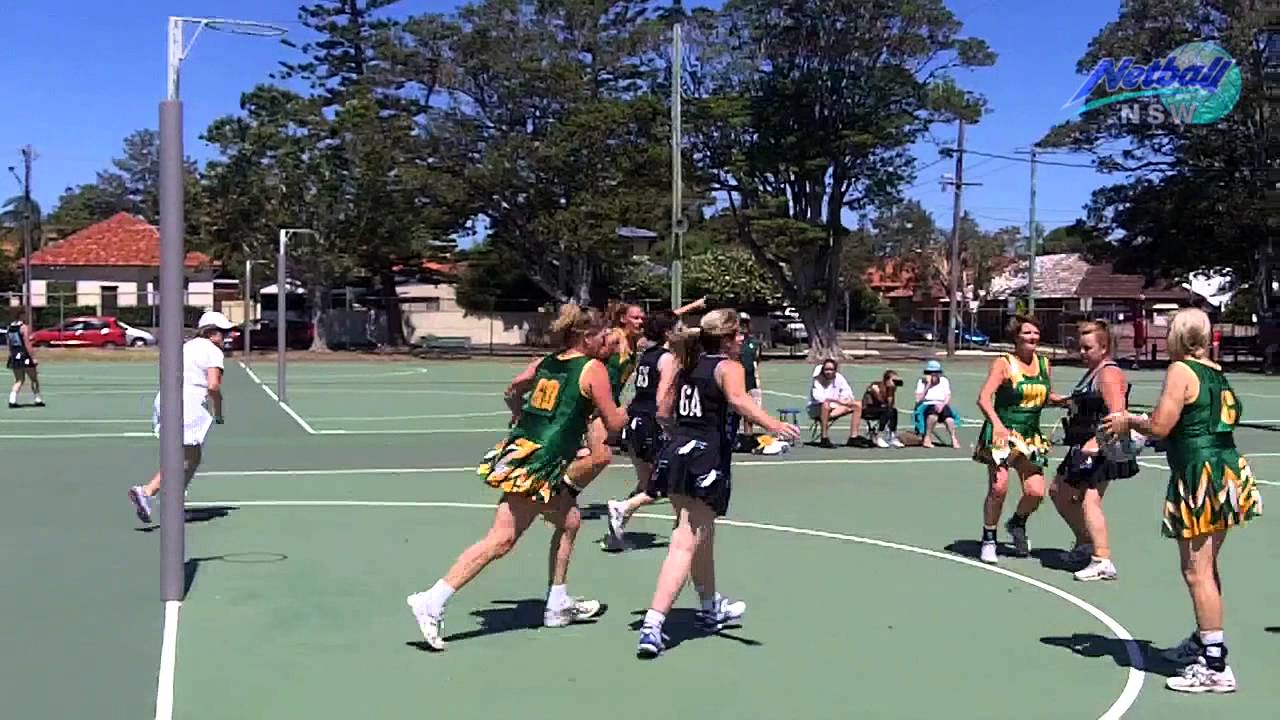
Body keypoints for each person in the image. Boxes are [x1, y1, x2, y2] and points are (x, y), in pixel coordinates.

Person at [407, 304, 628, 651]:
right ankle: (432, 600)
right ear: (586, 336)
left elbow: (513, 390)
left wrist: (519, 417)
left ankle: (557, 604)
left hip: (523, 450)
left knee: (569, 521)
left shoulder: (546, 362)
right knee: (502, 539)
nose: (609, 340)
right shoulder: (593, 368)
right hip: (540, 463)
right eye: (603, 334)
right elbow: (614, 425)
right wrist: (638, 409)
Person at [1103, 308, 1262, 694]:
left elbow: (1160, 425)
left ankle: (1215, 666)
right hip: (1226, 472)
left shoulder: (1180, 370)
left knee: (1195, 571)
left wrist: (1129, 420)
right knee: (1207, 567)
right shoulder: (1215, 371)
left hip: (1200, 475)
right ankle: (1205, 640)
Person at [635, 309, 800, 658]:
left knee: (701, 536)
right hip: (706, 458)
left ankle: (710, 607)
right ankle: (653, 623)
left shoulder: (688, 364)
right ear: (725, 338)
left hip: (678, 451)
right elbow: (740, 401)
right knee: (684, 541)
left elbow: (663, 410)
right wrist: (774, 425)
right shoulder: (729, 367)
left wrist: (677, 436)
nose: (743, 338)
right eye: (738, 334)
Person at [1049, 321, 1137, 582]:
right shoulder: (1093, 372)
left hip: (1101, 447)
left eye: (1088, 347)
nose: (1083, 352)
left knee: (1089, 500)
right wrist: (1061, 401)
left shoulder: (1108, 373)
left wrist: (1097, 444)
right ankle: (1085, 543)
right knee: (1059, 491)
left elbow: (1118, 415)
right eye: (1081, 347)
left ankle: (1102, 559)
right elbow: (1087, 401)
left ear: (1104, 347)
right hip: (1082, 444)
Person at [127, 311, 234, 523]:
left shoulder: (186, 346)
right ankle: (148, 492)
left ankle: (172, 503)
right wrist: (219, 412)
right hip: (188, 404)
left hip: (166, 398)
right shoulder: (213, 351)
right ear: (212, 333)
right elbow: (213, 386)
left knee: (191, 457)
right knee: (184, 457)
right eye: (223, 332)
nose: (226, 336)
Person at [973, 315, 1055, 564]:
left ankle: (1017, 524)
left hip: (1030, 435)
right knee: (999, 488)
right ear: (1016, 337)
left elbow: (1042, 397)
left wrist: (1069, 401)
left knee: (1036, 492)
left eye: (1036, 333)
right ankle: (989, 539)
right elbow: (984, 398)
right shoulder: (1004, 363)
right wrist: (997, 425)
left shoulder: (1044, 364)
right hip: (1004, 432)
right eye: (1027, 333)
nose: (1033, 337)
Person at [604, 310, 680, 551]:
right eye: (679, 328)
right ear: (668, 332)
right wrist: (671, 428)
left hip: (635, 421)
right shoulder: (667, 359)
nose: (682, 331)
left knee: (646, 483)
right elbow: (661, 399)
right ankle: (624, 509)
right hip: (650, 424)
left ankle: (618, 527)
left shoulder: (646, 355)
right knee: (668, 481)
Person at [807, 359, 862, 448]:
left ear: (835, 370)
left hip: (835, 407)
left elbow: (848, 394)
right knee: (825, 405)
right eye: (826, 369)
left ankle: (853, 437)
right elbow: (819, 398)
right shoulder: (817, 380)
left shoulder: (839, 378)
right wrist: (838, 401)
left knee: (857, 405)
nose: (828, 372)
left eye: (831, 369)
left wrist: (843, 401)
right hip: (817, 409)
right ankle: (824, 438)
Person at [914, 360, 960, 448]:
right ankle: (927, 438)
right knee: (933, 416)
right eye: (931, 373)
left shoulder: (944, 380)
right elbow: (918, 399)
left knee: (949, 419)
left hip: (942, 403)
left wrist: (942, 405)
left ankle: (954, 438)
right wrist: (928, 385)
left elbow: (947, 395)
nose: (933, 375)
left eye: (936, 373)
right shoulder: (922, 382)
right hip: (927, 404)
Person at [7, 319, 43, 408]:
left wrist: (11, 355)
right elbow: (27, 344)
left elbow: (9, 344)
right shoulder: (23, 328)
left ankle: (12, 399)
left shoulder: (9, 328)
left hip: (15, 355)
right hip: (25, 355)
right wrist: (33, 357)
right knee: (34, 378)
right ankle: (37, 398)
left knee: (19, 380)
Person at [862, 370, 904, 448]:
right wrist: (877, 393)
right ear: (887, 380)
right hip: (868, 409)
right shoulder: (875, 386)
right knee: (886, 411)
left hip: (881, 409)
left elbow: (890, 405)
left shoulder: (890, 389)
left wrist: (891, 392)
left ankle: (892, 436)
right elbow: (880, 402)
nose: (895, 383)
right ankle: (879, 436)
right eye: (893, 380)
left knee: (893, 411)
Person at [739, 312, 764, 434]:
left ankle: (747, 436)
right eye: (740, 323)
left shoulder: (754, 342)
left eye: (745, 323)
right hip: (735, 380)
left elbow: (757, 360)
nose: (743, 326)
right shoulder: (731, 342)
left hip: (751, 380)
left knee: (750, 411)